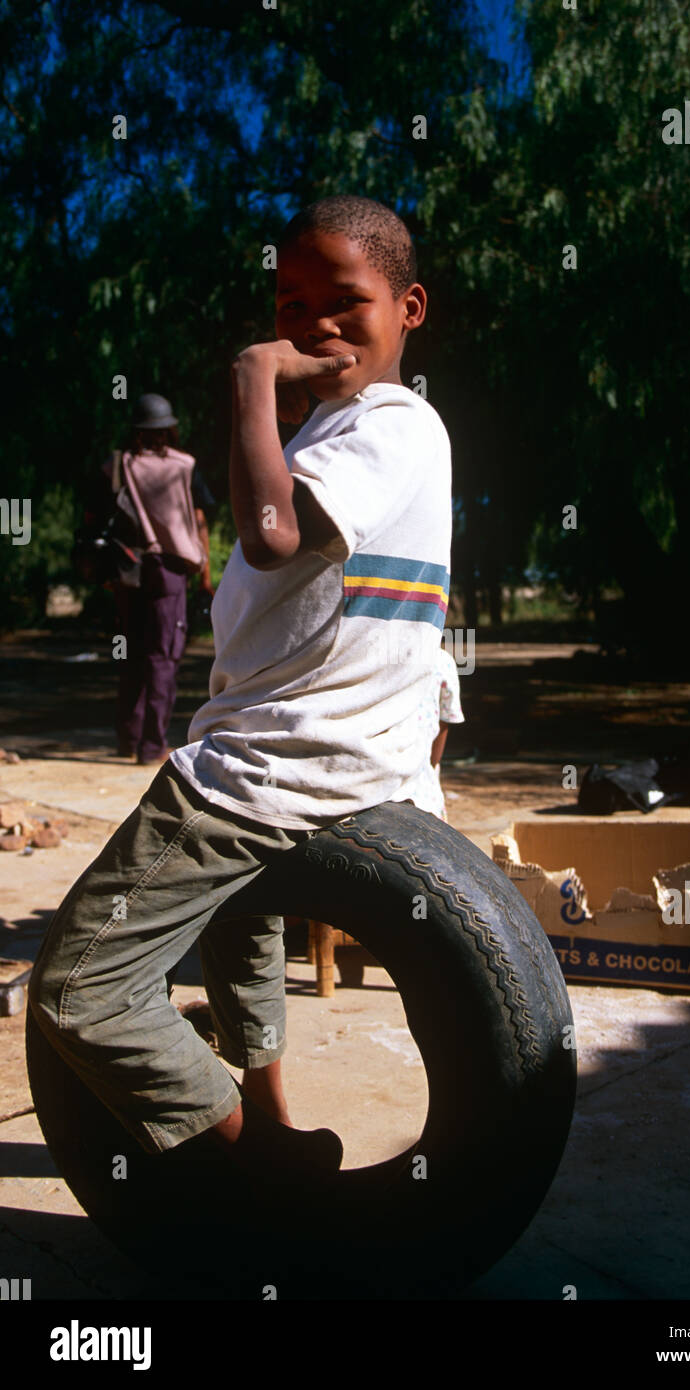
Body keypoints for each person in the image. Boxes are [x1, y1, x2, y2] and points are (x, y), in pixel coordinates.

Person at [29, 196, 451, 1189]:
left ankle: (256, 1176)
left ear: (411, 308)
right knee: (241, 923)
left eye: (348, 301)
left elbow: (266, 534)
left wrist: (253, 377)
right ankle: (272, 1114)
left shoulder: (388, 423)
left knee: (79, 987)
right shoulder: (350, 436)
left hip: (272, 763)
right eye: (290, 303)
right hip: (329, 756)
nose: (316, 326)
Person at [101, 395, 216, 764]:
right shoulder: (185, 466)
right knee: (162, 658)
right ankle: (152, 746)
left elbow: (96, 519)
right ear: (169, 427)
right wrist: (205, 576)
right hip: (168, 573)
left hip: (128, 573)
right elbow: (198, 522)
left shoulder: (118, 465)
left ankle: (127, 738)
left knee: (132, 655)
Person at [410, 642, 465, 822]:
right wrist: (432, 764)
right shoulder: (442, 660)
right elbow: (446, 720)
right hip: (422, 791)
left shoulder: (368, 656)